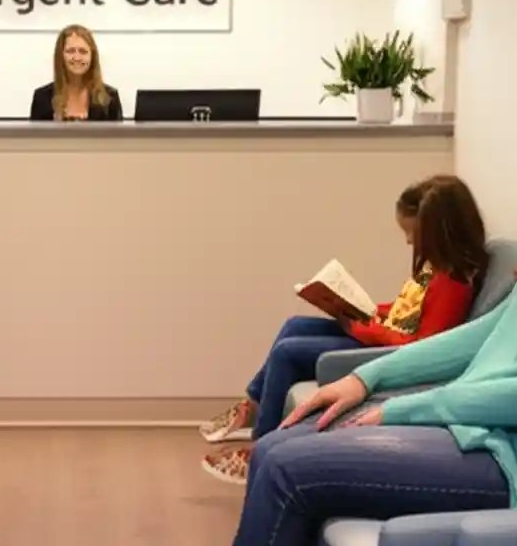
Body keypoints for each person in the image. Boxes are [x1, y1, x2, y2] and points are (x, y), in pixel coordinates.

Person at [230, 43, 517, 546]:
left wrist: (408, 409)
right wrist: (367, 378)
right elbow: (490, 332)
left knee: (286, 466)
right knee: (274, 445)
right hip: (483, 432)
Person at [199, 175, 488, 485]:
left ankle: (259, 447)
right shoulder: (436, 268)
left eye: (411, 234)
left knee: (288, 353)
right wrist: (364, 310)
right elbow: (407, 312)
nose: (408, 242)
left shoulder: (453, 284)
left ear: (436, 230)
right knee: (295, 326)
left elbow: (422, 347)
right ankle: (253, 406)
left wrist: (366, 329)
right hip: (380, 338)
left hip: (387, 356)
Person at [30, 23, 123, 121]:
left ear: (92, 56)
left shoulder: (109, 98)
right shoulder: (42, 98)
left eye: (83, 51)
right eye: (70, 51)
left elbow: (119, 136)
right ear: (60, 56)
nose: (77, 58)